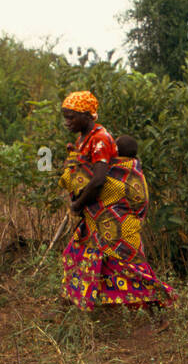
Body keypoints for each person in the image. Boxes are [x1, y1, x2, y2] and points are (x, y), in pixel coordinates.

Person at [57, 91, 174, 317]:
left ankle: (157, 312)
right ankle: (66, 306)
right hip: (96, 216)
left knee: (126, 261)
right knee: (77, 254)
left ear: (87, 115)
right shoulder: (83, 139)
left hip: (112, 216)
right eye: (66, 116)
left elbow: (100, 180)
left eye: (71, 116)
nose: (67, 121)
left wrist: (78, 204)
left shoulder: (100, 139)